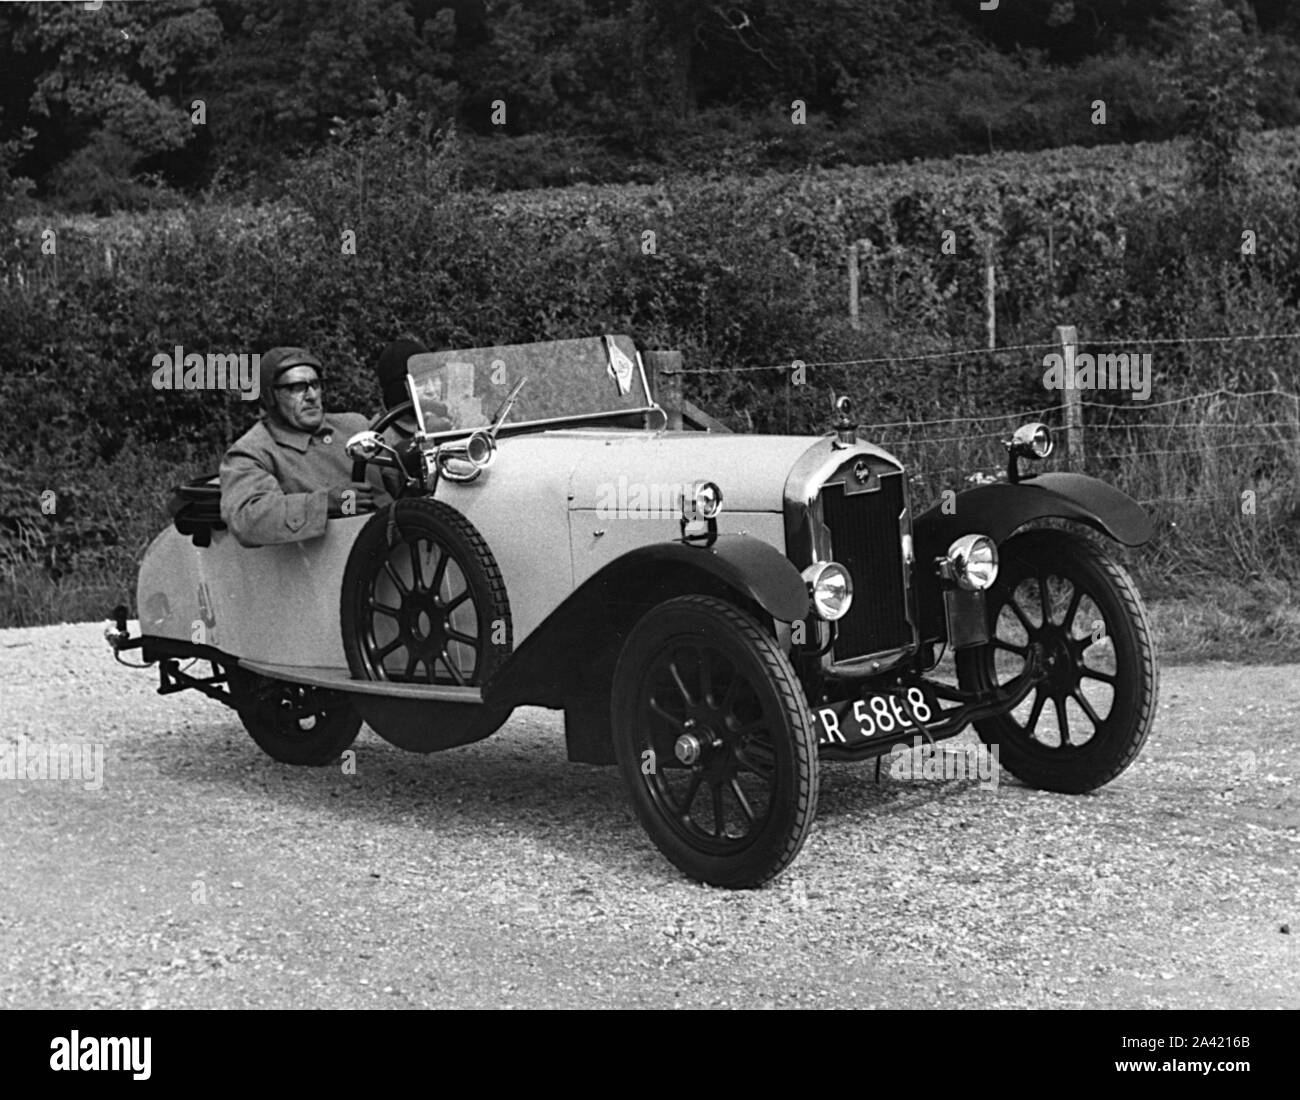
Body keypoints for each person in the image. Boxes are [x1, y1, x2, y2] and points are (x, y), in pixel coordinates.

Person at [220, 346, 391, 547]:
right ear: (270, 396)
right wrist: (325, 504)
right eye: (295, 387)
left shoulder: (356, 426)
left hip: (398, 547)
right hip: (325, 564)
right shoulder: (253, 452)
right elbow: (247, 520)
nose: (311, 396)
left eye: (315, 385)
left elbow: (399, 482)